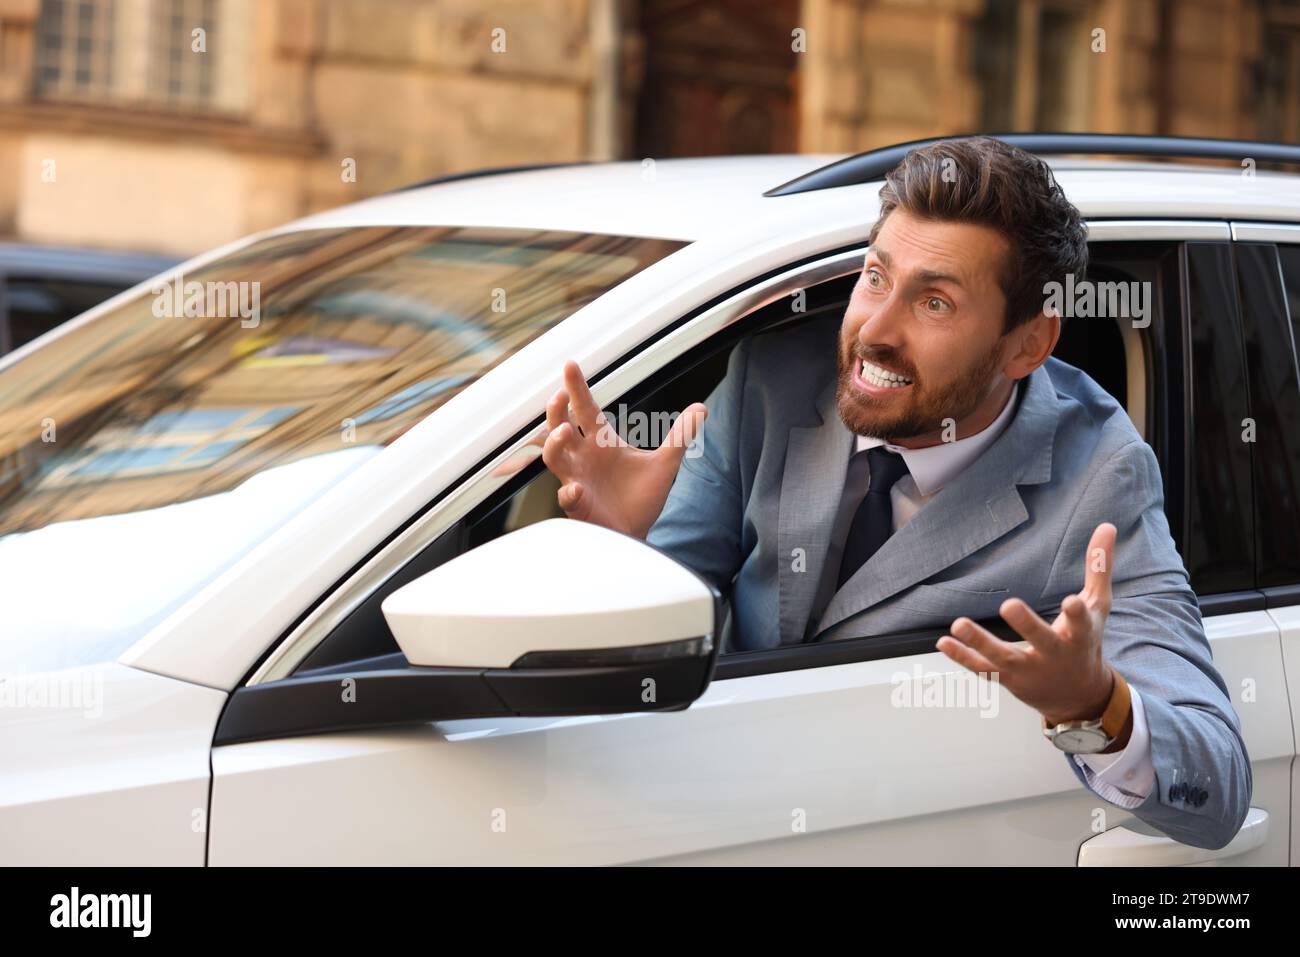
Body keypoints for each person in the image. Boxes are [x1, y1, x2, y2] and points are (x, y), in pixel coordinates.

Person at [541, 137, 1250, 850]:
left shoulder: (1103, 473)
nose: (874, 332)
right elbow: (660, 643)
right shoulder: (770, 379)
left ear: (1027, 345)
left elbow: (1219, 784)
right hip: (719, 823)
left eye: (934, 301)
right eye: (877, 276)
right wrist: (628, 548)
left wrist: (1093, 704)